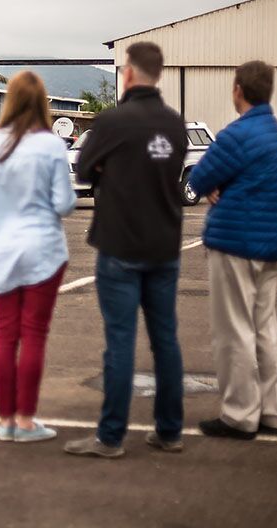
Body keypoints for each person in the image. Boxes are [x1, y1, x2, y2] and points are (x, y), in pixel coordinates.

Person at [63, 41, 188, 459]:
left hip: (119, 244)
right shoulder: (175, 124)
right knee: (165, 339)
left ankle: (111, 436)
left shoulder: (113, 121)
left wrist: (107, 167)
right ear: (160, 74)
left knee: (120, 341)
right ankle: (169, 430)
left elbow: (81, 169)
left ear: (129, 73)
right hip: (165, 246)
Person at [0, 71, 76, 443]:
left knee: (5, 333)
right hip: (43, 249)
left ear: (8, 101)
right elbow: (64, 202)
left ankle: (6, 421)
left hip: (0, 249)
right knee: (33, 334)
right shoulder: (51, 145)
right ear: (42, 104)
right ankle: (27, 420)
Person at [188, 61, 277, 440]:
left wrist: (218, 186)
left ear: (238, 90)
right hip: (270, 247)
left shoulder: (237, 135)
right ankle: (272, 410)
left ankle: (239, 414)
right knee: (265, 328)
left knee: (234, 331)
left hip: (235, 244)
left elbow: (199, 178)